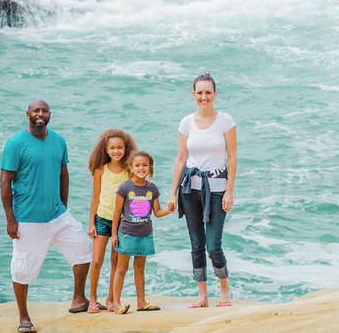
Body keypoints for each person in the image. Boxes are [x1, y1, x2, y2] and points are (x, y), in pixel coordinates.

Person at [0, 99, 92, 333]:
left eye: (44, 111)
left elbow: (64, 174)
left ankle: (79, 299)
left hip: (58, 214)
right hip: (28, 218)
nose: (40, 114)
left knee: (83, 248)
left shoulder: (58, 141)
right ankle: (23, 317)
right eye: (36, 110)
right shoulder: (15, 144)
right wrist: (11, 219)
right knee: (22, 269)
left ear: (50, 114)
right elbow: (5, 181)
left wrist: (63, 206)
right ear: (28, 114)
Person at [166, 73, 236, 309]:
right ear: (193, 94)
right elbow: (180, 158)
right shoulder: (186, 122)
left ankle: (225, 290)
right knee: (196, 244)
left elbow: (233, 158)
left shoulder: (225, 121)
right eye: (199, 92)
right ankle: (202, 296)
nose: (203, 97)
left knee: (213, 245)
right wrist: (172, 193)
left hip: (216, 189)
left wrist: (229, 191)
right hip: (190, 190)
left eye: (208, 92)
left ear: (215, 94)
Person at [109, 151, 172, 314]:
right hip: (127, 234)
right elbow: (117, 213)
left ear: (150, 168)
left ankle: (141, 302)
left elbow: (157, 212)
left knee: (140, 268)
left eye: (145, 165)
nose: (141, 168)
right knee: (121, 269)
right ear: (131, 167)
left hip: (145, 234)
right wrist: (114, 234)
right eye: (137, 165)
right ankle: (116, 303)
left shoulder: (152, 189)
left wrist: (169, 210)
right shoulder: (125, 187)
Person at [85, 128, 137, 313]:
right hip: (101, 219)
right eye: (113, 148)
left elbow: (133, 196)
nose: (116, 151)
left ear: (126, 149)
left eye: (120, 148)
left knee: (116, 262)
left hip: (122, 222)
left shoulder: (129, 171)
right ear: (106, 150)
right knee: (97, 260)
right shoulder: (100, 170)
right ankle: (92, 300)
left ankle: (112, 300)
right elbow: (95, 198)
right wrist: (91, 223)